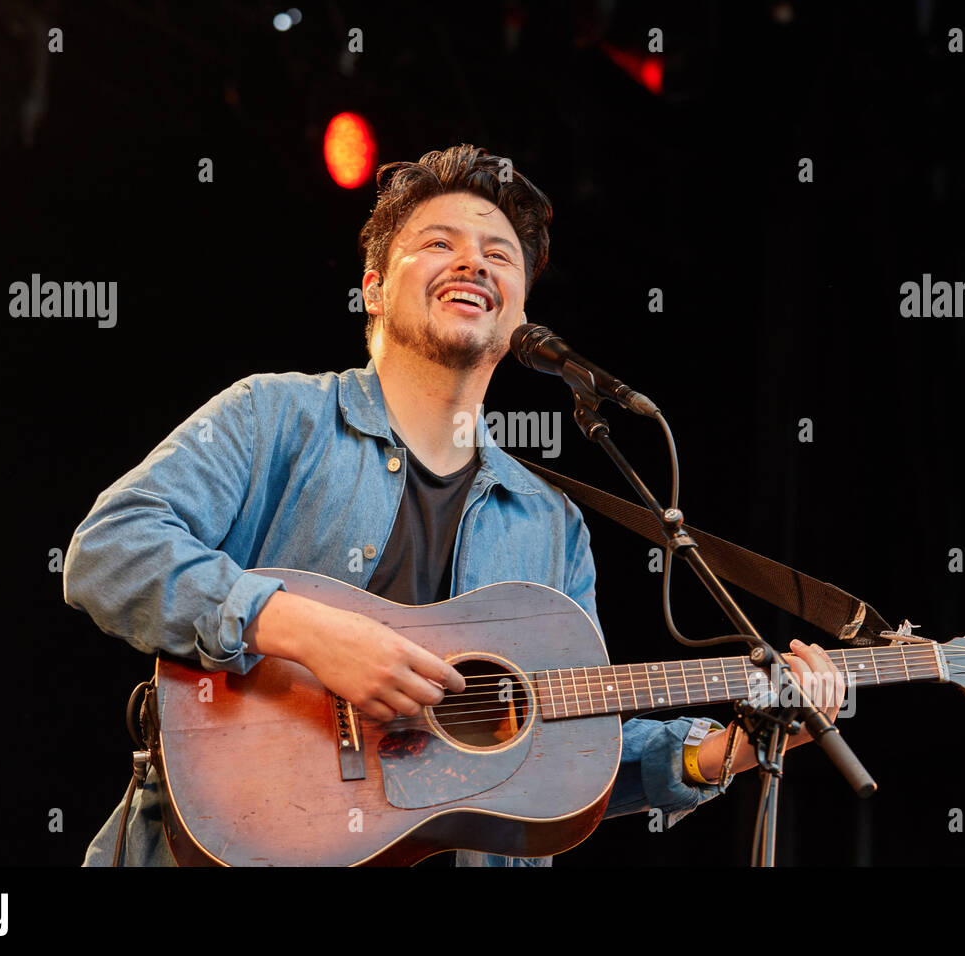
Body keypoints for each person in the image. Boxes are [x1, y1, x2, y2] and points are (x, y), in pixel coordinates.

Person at [65, 144, 844, 866]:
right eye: (439, 243)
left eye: (499, 254)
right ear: (371, 287)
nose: (473, 259)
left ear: (517, 316)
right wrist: (308, 632)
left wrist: (730, 751)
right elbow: (110, 550)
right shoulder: (274, 417)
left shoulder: (551, 523)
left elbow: (567, 751)